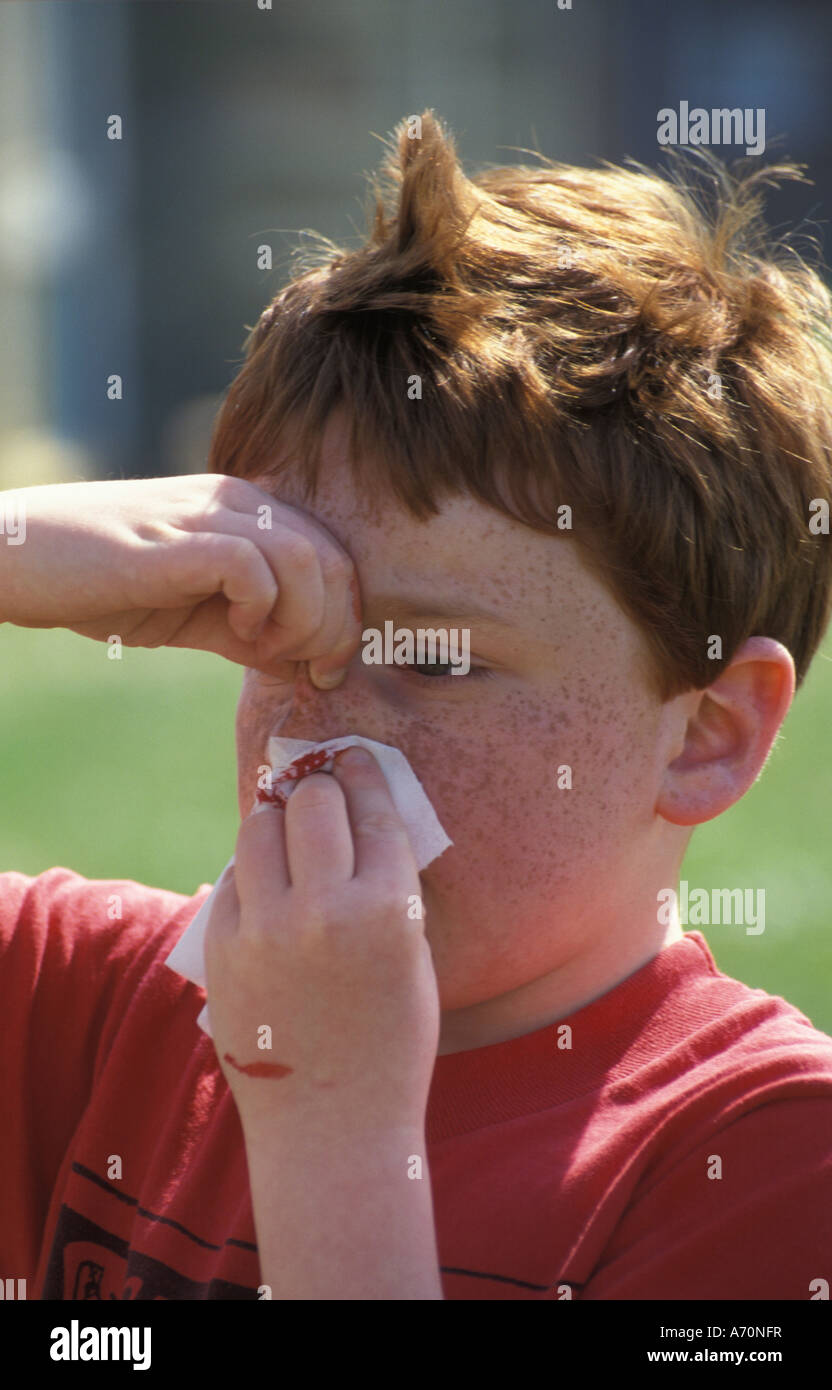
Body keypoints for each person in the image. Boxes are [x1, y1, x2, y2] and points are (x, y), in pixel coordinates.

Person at [2, 110, 831, 1301]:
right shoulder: (87, 1007)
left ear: (708, 731)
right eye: (273, 624)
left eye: (437, 660)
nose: (323, 730)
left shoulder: (756, 1156)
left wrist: (331, 1120)